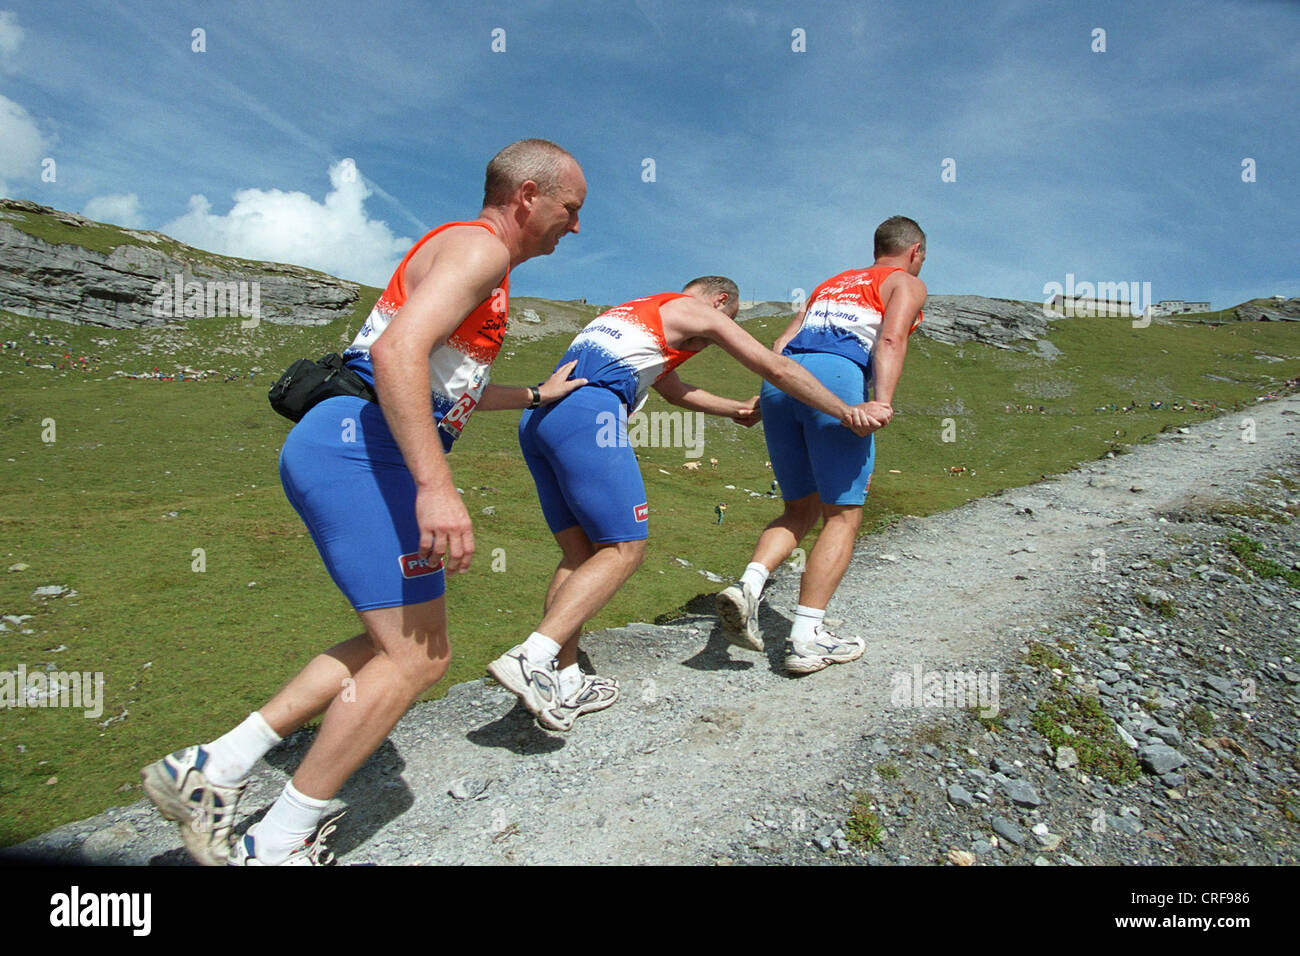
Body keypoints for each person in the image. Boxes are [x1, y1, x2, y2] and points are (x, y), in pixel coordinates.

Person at [141, 139, 589, 866]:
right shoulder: (481, 251)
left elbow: (443, 383)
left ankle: (214, 767)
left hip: (348, 439)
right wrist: (436, 487)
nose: (575, 228)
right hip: (361, 444)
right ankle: (275, 843)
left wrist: (538, 395)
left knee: (397, 642)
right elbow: (395, 356)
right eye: (571, 210)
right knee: (419, 657)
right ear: (528, 196)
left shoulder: (474, 258)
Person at [489, 276, 882, 732]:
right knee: (624, 550)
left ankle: (566, 678)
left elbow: (674, 391)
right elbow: (776, 367)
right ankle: (531, 656)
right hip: (589, 414)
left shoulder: (638, 311)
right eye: (725, 319)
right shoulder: (696, 312)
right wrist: (844, 410)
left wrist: (734, 408)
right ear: (719, 302)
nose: (712, 336)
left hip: (540, 417)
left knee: (579, 555)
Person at [715, 216, 927, 674]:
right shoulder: (904, 283)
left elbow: (781, 341)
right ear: (914, 253)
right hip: (835, 377)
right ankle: (807, 637)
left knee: (799, 508)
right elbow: (890, 338)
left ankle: (749, 586)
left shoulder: (831, 283)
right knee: (843, 514)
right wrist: (882, 402)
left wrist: (769, 393)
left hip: (782, 383)